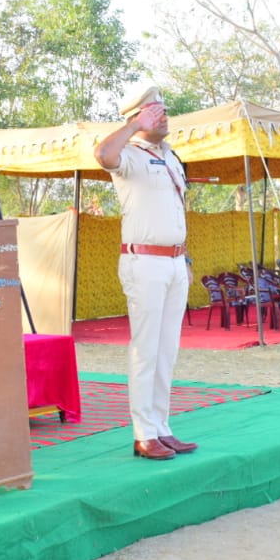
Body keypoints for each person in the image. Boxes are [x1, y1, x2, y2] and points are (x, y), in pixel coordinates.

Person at [94, 83, 195, 461]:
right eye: (155, 110)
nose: (164, 115)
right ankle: (143, 433)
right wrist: (134, 126)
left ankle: (162, 427)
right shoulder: (130, 154)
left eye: (164, 109)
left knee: (167, 349)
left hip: (174, 261)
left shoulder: (170, 157)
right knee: (146, 349)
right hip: (144, 261)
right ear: (137, 116)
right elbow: (103, 154)